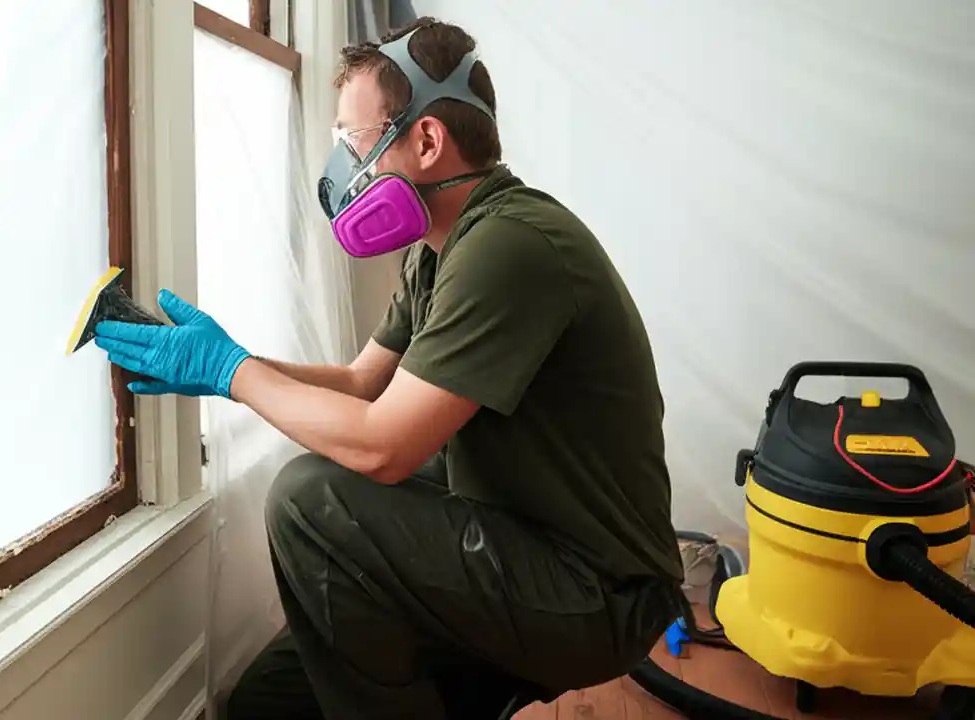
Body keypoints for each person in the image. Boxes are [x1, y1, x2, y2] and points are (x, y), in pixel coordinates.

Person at [94, 16, 684, 720]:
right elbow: (360, 385)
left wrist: (231, 373)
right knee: (269, 705)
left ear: (427, 140)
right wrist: (230, 362)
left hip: (592, 592)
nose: (340, 163)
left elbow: (382, 443)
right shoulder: (440, 250)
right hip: (512, 543)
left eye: (353, 139)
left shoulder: (511, 245)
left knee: (310, 497)